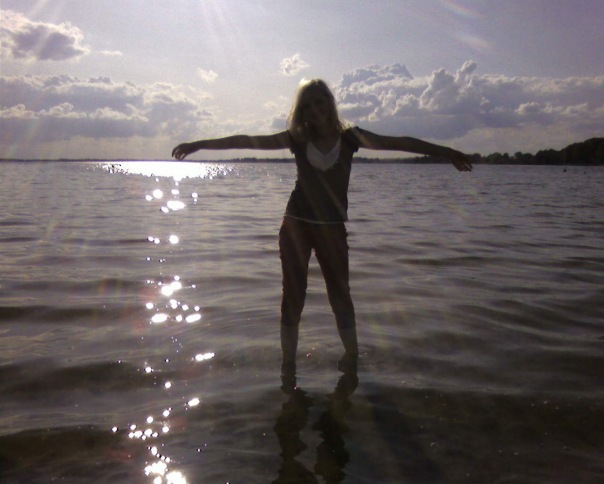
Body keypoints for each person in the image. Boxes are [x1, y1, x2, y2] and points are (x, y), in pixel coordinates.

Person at [172, 79, 472, 385]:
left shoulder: (351, 138)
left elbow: (401, 143)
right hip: (296, 226)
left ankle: (351, 361)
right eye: (308, 105)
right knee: (293, 298)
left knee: (341, 297)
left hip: (332, 229)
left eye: (319, 102)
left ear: (329, 103)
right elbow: (248, 141)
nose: (315, 110)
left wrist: (447, 152)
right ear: (301, 111)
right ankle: (288, 371)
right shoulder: (297, 138)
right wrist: (199, 145)